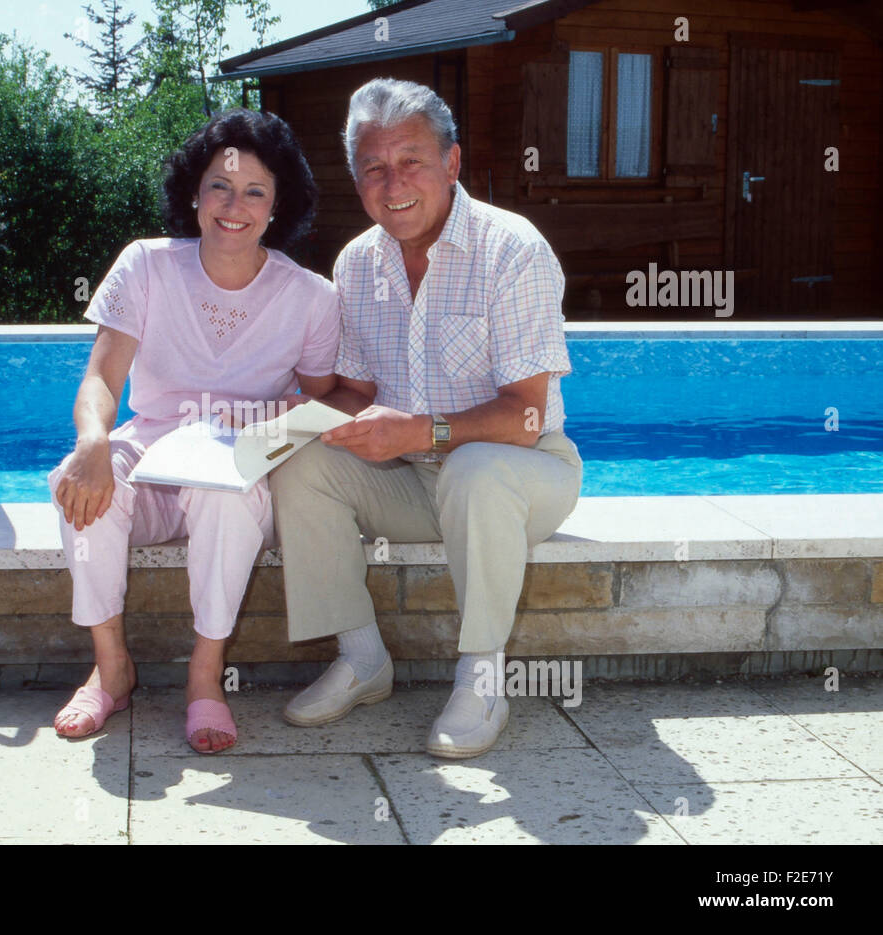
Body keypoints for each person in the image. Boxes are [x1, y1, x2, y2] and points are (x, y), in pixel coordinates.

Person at [269, 78, 582, 758]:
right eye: (373, 168)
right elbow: (356, 391)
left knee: (472, 466)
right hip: (418, 480)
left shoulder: (513, 250)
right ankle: (361, 657)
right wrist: (287, 426)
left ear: (453, 163)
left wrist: (422, 430)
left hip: (526, 475)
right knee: (297, 457)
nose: (392, 183)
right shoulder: (357, 263)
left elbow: (527, 416)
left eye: (410, 160)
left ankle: (482, 675)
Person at [48, 109, 340, 754]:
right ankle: (111, 667)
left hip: (236, 463)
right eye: (220, 185)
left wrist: (285, 417)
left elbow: (332, 398)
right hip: (151, 453)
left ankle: (206, 679)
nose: (234, 205)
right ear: (193, 191)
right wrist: (92, 444)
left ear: (276, 205)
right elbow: (102, 377)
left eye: (255, 191)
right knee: (79, 483)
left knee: (229, 493)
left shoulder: (311, 296)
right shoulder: (145, 265)